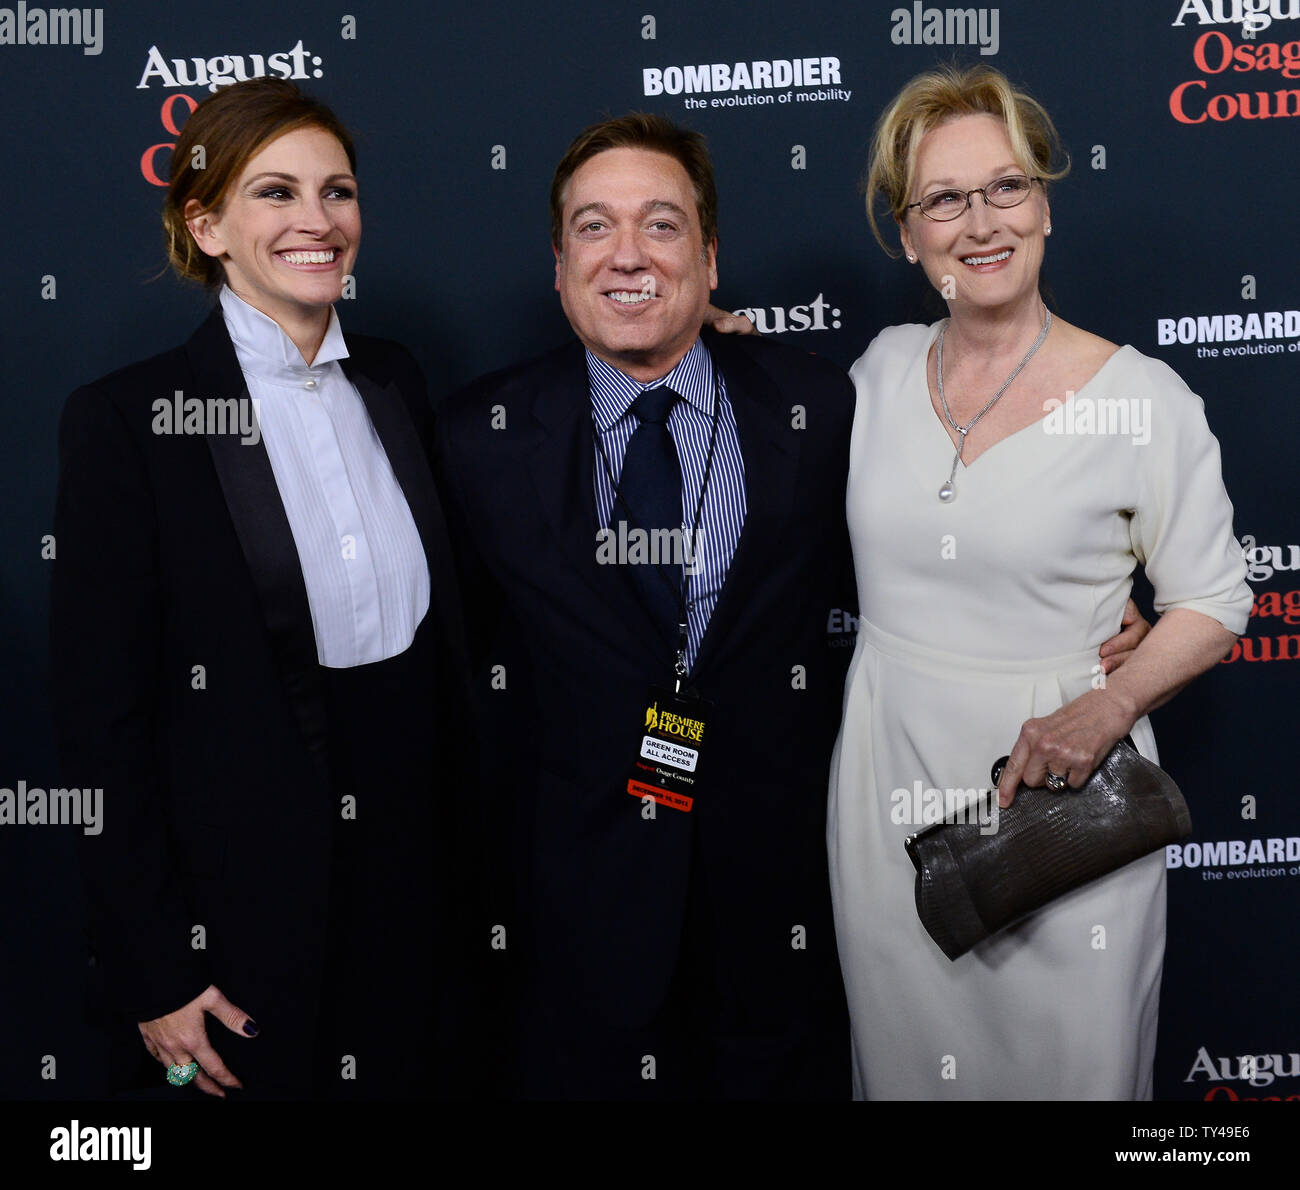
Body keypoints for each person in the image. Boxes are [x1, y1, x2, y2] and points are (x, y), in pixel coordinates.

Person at [827, 64, 1252, 1100]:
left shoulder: (1141, 397)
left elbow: (1216, 597)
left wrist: (1106, 701)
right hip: (888, 798)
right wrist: (719, 343)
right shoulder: (874, 371)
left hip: (1063, 801)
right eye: (944, 199)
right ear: (908, 230)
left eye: (1006, 186)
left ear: (1045, 202)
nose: (981, 221)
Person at [50, 77, 474, 1100]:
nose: (317, 222)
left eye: (338, 191)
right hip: (238, 935)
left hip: (415, 904)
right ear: (207, 224)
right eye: (275, 193)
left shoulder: (396, 379)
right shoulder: (128, 420)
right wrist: (155, 966)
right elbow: (99, 725)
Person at [433, 113, 856, 1099]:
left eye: (660, 225)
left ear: (709, 260)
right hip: (574, 917)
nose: (626, 253)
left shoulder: (820, 405)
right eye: (594, 226)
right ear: (558, 262)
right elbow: (444, 672)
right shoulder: (476, 438)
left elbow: (928, 567)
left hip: (781, 904)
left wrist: (1094, 617)